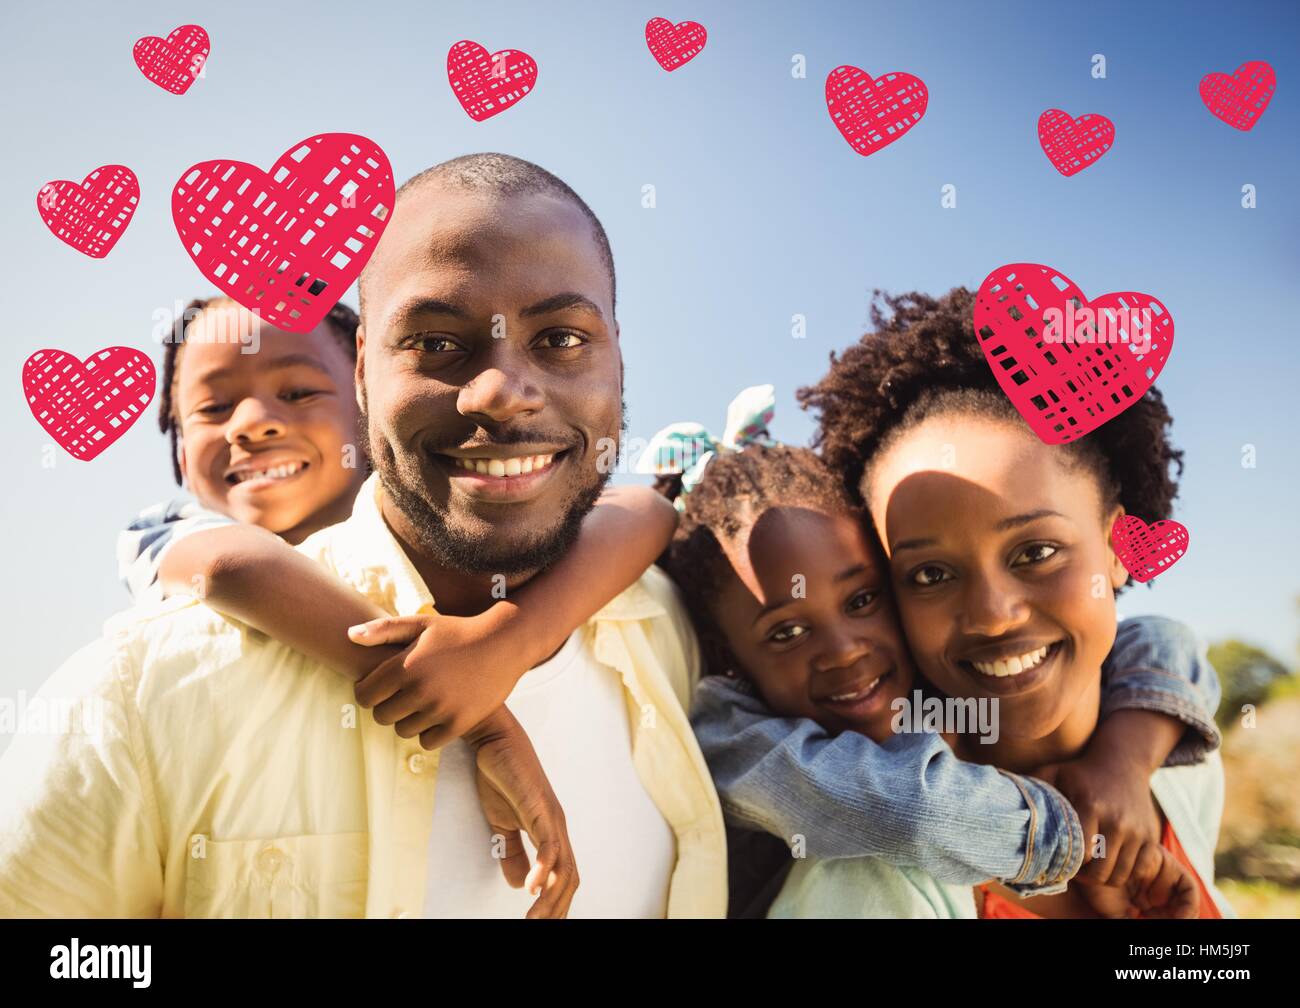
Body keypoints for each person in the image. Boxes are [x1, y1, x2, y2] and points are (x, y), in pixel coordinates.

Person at [0, 153, 726, 919]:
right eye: (437, 344)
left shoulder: (674, 623)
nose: (503, 394)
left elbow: (647, 512)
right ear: (365, 383)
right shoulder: (146, 688)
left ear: (619, 356)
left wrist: (505, 643)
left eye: (562, 338)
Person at [665, 371, 1221, 916]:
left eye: (1036, 551)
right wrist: (1069, 837)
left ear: (1116, 547)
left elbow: (1162, 641)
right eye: (930, 574)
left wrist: (1124, 766)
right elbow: (893, 810)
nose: (993, 617)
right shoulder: (871, 873)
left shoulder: (1183, 773)